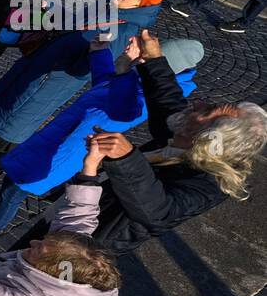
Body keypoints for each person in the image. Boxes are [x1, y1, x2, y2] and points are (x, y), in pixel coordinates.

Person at [0, 36, 204, 238]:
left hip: (68, 147)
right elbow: (106, 83)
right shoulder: (143, 77)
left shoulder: (152, 93)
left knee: (18, 188)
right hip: (59, 137)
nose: (143, 60)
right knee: (15, 180)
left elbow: (122, 109)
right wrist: (100, 52)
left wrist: (125, 67)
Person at [79, 31, 267, 255]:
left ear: (210, 137)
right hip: (78, 204)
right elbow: (168, 103)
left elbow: (157, 213)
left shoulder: (210, 185)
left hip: (85, 243)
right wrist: (153, 59)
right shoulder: (187, 138)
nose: (198, 103)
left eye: (208, 111)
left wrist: (127, 159)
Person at [0, 0, 170, 171]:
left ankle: (0, 163)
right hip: (43, 64)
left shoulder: (124, 29)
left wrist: (72, 54)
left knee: (19, 119)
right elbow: (80, 21)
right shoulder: (110, 5)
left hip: (51, 79)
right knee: (9, 103)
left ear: (141, 4)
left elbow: (88, 70)